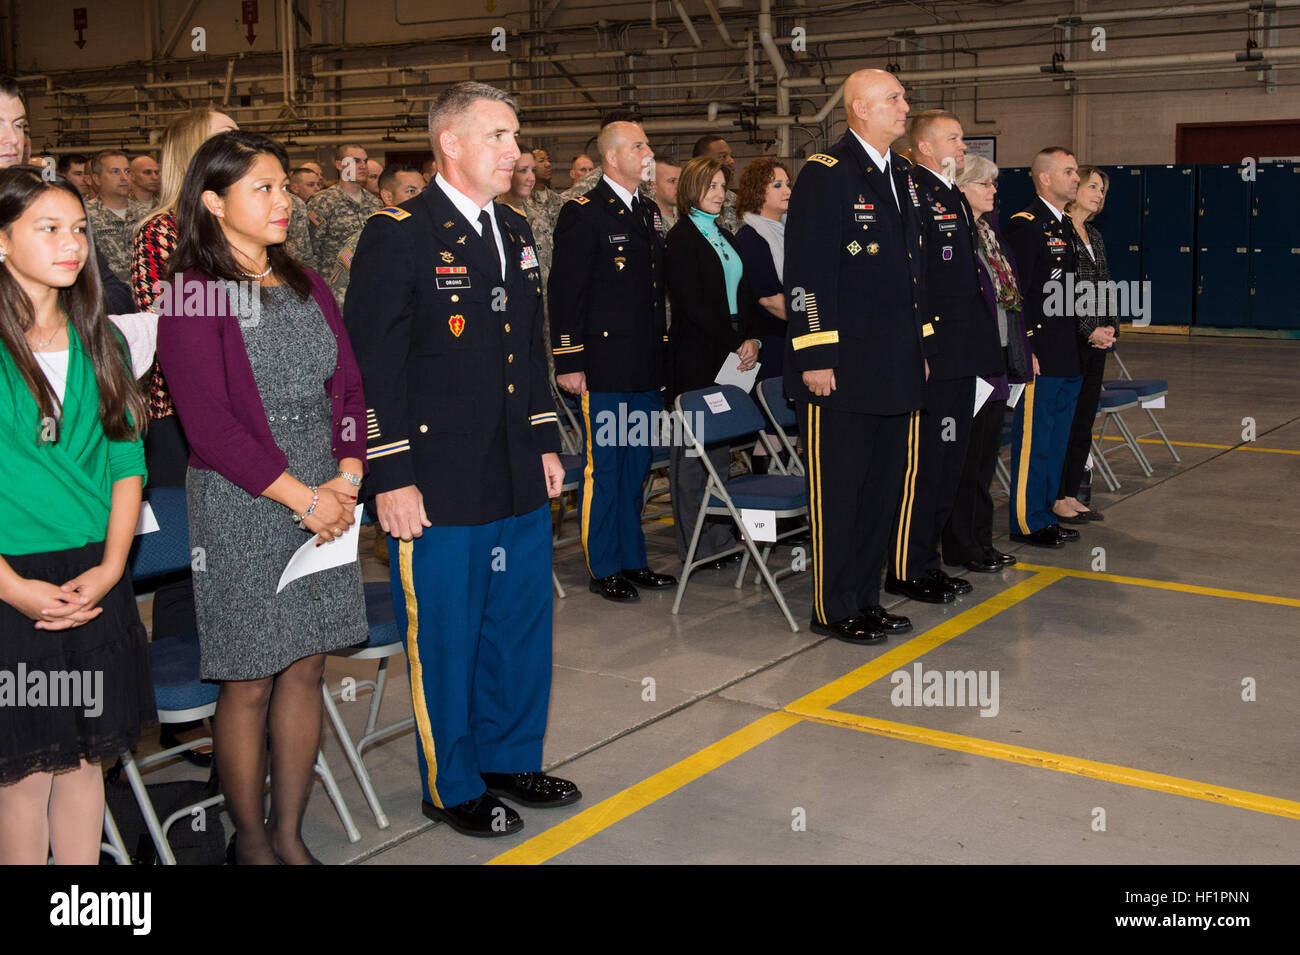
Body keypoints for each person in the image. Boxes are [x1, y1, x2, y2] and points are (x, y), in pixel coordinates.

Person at [345, 81, 579, 838]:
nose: (517, 151)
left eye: (516, 136)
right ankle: (452, 784)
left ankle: (510, 756)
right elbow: (369, 368)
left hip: (513, 466)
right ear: (452, 143)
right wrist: (391, 473)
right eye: (500, 137)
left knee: (517, 624)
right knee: (446, 632)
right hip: (436, 479)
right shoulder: (399, 233)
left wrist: (547, 439)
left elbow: (529, 348)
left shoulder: (514, 228)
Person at [156, 130, 369, 864]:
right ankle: (249, 841)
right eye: (264, 188)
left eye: (284, 186)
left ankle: (289, 833)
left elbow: (346, 384)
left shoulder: (305, 280)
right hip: (245, 501)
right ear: (214, 203)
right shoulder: (192, 291)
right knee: (247, 677)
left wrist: (346, 472)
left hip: (327, 495)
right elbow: (210, 425)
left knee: (306, 665)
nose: (283, 201)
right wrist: (302, 498)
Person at [0, 166, 154, 864]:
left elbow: (127, 464)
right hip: (14, 582)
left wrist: (113, 566)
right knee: (28, 774)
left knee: (88, 760)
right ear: (2, 241)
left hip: (94, 573)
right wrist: (14, 588)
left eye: (79, 230)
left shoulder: (102, 339)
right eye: (48, 229)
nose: (72, 244)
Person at [783, 68, 933, 644]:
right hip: (840, 370)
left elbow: (912, 277)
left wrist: (920, 347)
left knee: (881, 492)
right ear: (861, 109)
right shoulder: (828, 174)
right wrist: (815, 353)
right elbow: (807, 276)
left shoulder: (902, 176)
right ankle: (833, 604)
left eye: (903, 96)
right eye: (894, 98)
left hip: (894, 365)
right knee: (841, 492)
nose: (905, 105)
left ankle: (866, 599)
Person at [550, 117, 677, 603]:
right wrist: (569, 359)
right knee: (605, 468)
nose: (648, 153)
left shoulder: (647, 211)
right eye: (639, 145)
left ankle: (633, 559)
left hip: (644, 365)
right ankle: (604, 566)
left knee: (637, 465)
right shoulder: (583, 211)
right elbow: (566, 293)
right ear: (612, 157)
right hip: (602, 367)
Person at [885, 109, 1005, 604]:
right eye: (954, 139)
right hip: (936, 353)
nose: (963, 146)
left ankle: (928, 560)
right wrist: (926, 345)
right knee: (927, 464)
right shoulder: (915, 193)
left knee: (950, 462)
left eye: (963, 138)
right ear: (927, 148)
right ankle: (906, 567)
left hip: (962, 353)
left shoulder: (952, 194)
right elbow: (917, 284)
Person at [664, 156, 761, 567]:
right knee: (690, 456)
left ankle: (719, 540)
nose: (720, 195)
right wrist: (735, 341)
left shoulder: (725, 234)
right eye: (711, 188)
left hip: (732, 349)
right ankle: (696, 546)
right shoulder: (681, 239)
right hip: (696, 355)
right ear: (691, 191)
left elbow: (746, 293)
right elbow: (692, 306)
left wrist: (752, 337)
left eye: (723, 187)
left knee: (719, 450)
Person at [942, 155, 1034, 573]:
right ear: (961, 187)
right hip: (970, 362)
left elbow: (1010, 302)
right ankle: (962, 543)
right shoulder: (959, 237)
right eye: (984, 183)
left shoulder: (989, 235)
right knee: (964, 461)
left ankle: (980, 540)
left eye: (994, 184)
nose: (993, 191)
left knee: (983, 461)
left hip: (997, 359)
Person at [1005, 147, 1083, 548]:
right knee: (1034, 440)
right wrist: (1025, 347)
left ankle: (1045, 512)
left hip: (1066, 348)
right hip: (1040, 350)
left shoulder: (1063, 225)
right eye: (1068, 172)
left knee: (1056, 439)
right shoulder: (1026, 225)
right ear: (1045, 178)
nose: (1076, 178)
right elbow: (1015, 294)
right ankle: (1026, 520)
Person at [1056, 165, 1116, 524]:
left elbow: (1105, 287)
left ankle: (1070, 492)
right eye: (1093, 186)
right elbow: (1059, 291)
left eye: (1103, 191)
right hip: (1072, 340)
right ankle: (1057, 494)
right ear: (1074, 186)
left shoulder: (1093, 234)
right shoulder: (1059, 231)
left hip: (1097, 342)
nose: (1098, 194)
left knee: (1084, 421)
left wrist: (1109, 328)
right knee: (1066, 420)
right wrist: (1088, 330)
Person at [732, 156, 794, 473]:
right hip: (769, 344)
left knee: (789, 434)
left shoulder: (784, 231)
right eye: (777, 185)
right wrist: (812, 322)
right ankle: (765, 518)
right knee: (772, 433)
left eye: (788, 184)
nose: (787, 190)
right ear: (758, 191)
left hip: (787, 340)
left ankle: (782, 513)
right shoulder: (751, 237)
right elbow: (769, 298)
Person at [327, 162, 425, 309]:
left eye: (424, 191)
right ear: (387, 197)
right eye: (411, 191)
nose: (421, 198)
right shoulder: (363, 241)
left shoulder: (429, 236)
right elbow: (340, 296)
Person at [306, 143, 381, 281]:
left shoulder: (375, 203)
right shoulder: (322, 202)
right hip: (334, 288)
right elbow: (309, 251)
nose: (363, 166)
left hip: (367, 283)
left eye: (365, 161)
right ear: (340, 165)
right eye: (356, 161)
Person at [86, 150, 153, 286]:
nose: (124, 177)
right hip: (106, 301)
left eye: (127, 171)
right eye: (115, 171)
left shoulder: (148, 216)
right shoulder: (84, 217)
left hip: (145, 301)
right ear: (97, 178)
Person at [692, 135, 739, 232]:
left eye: (731, 156)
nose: (731, 161)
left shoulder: (733, 199)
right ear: (701, 161)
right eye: (723, 156)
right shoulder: (687, 201)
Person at [649, 155, 682, 235]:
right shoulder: (647, 222)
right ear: (653, 186)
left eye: (681, 180)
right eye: (672, 181)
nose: (679, 186)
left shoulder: (690, 217)